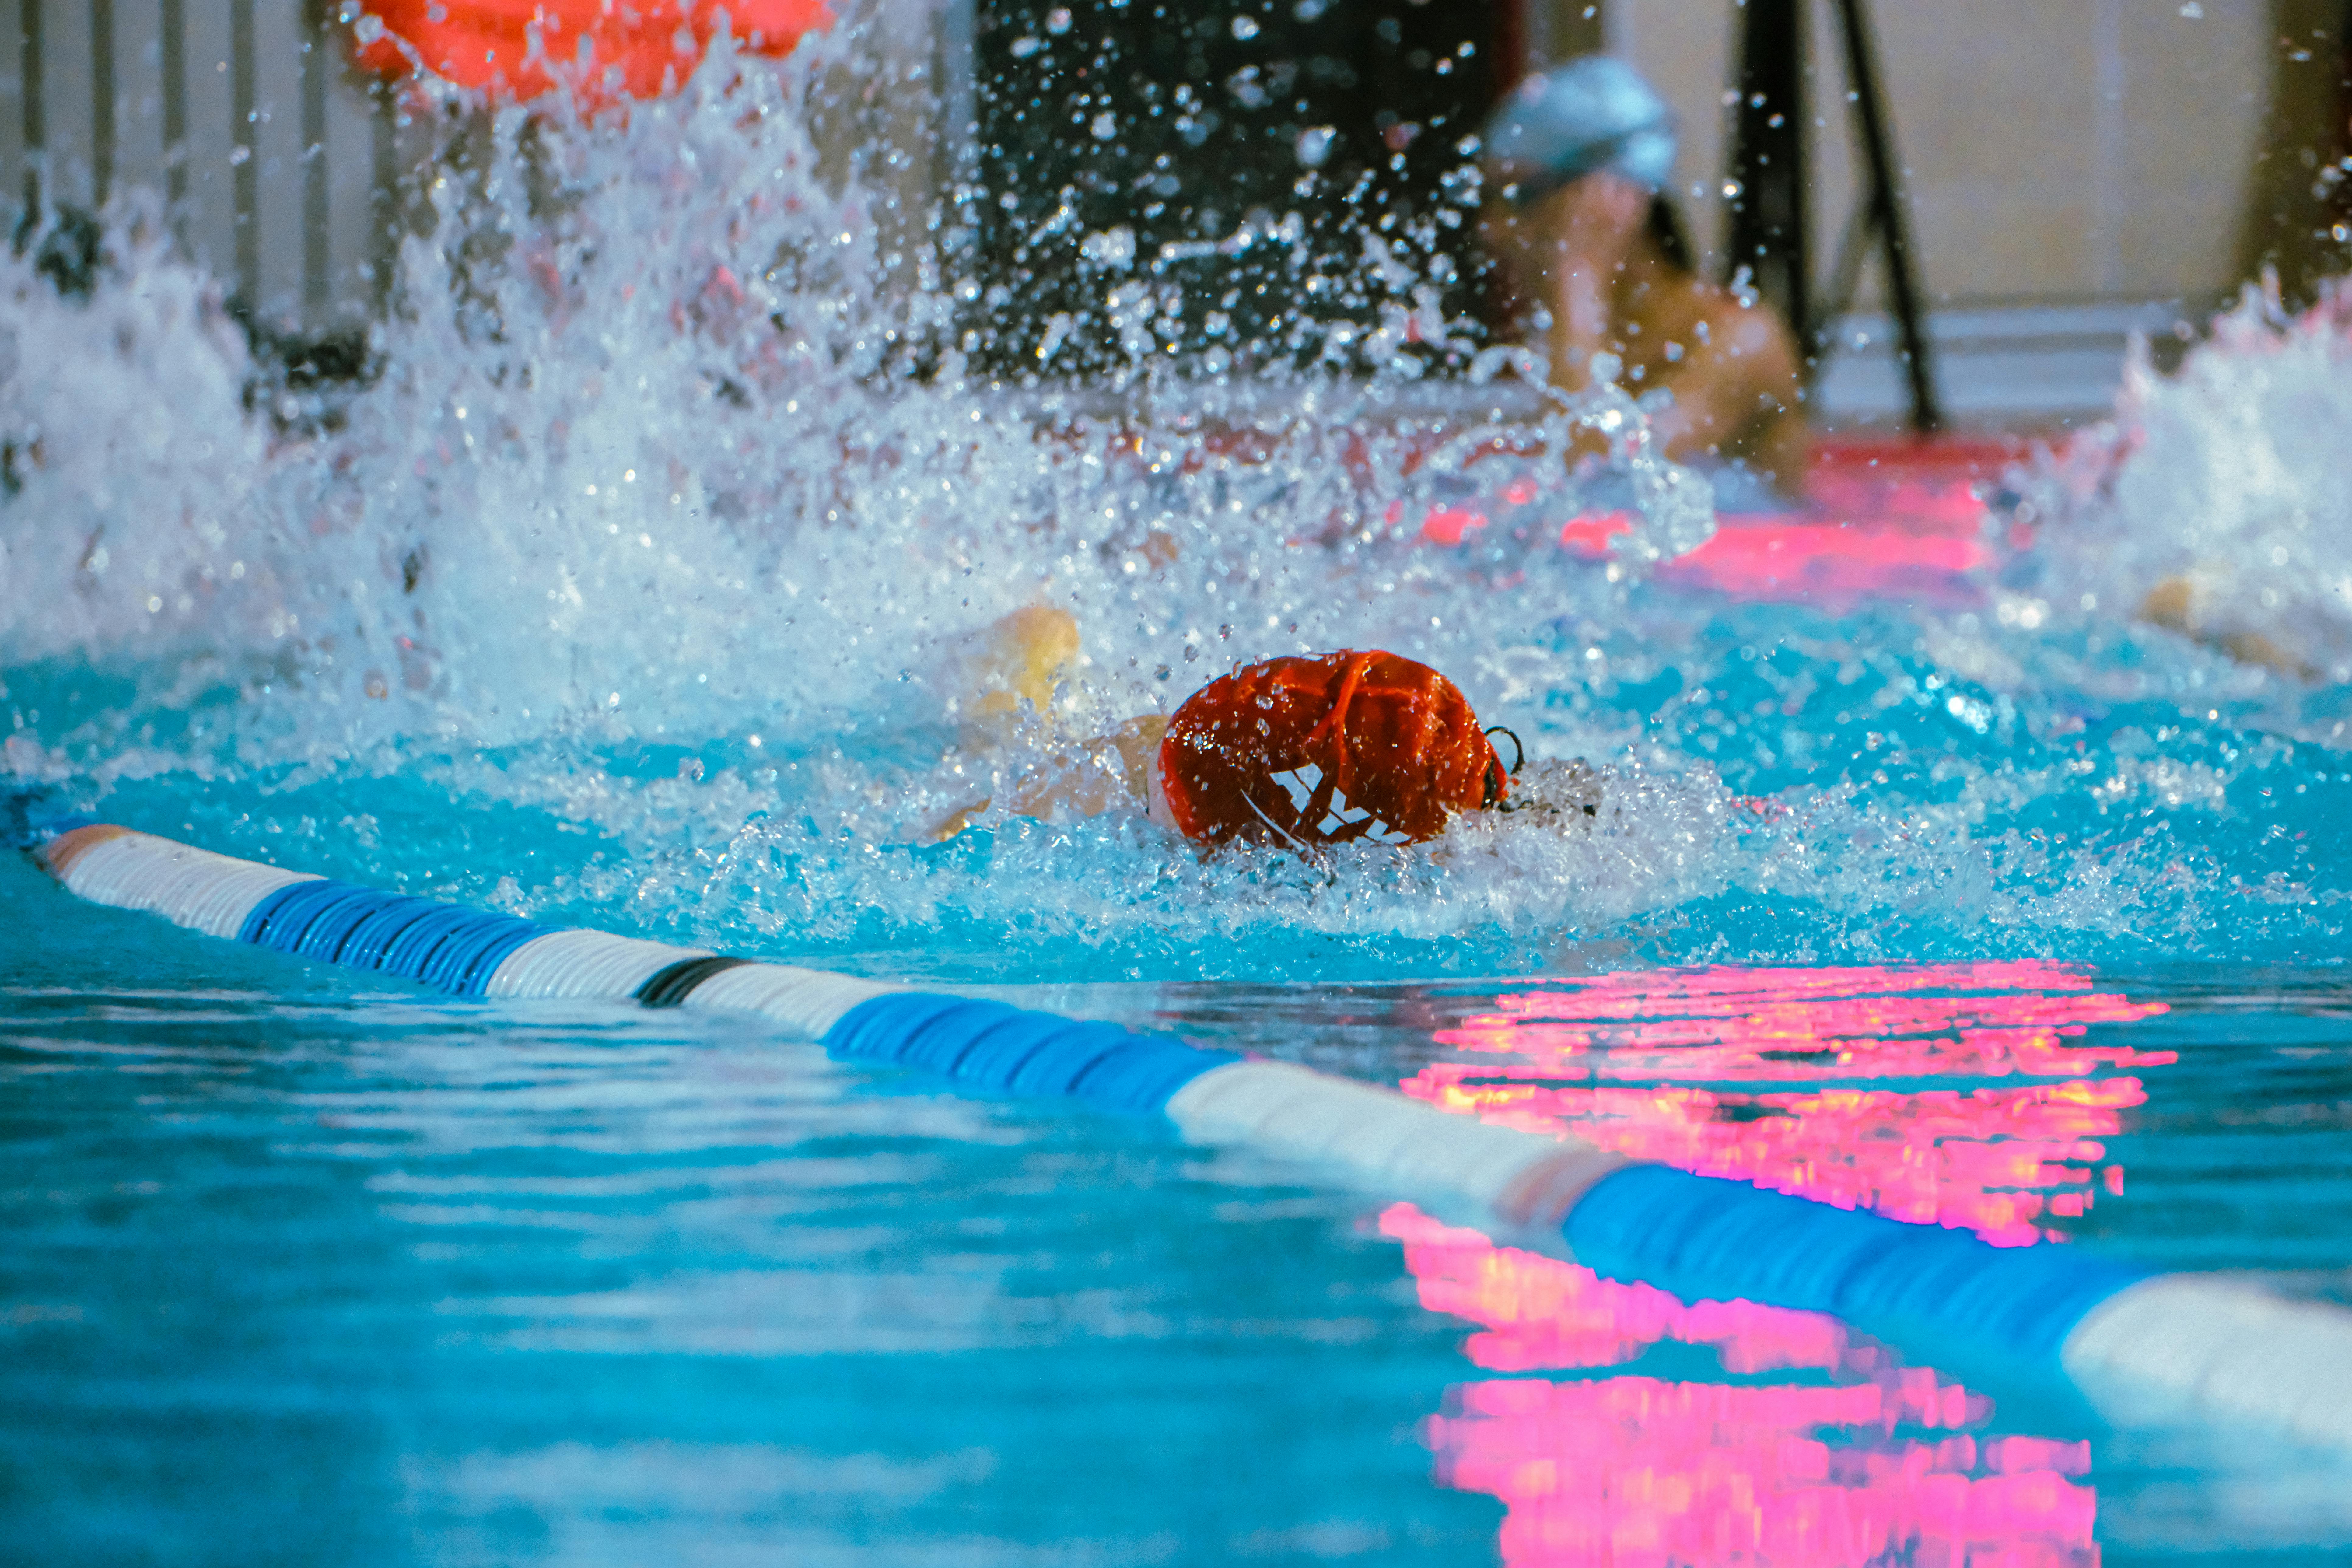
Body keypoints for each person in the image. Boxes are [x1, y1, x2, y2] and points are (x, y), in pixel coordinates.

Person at [926, 609, 1607, 847]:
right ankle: (1020, 654)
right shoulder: (1125, 772)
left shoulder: (1439, 829)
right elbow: (959, 833)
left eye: (1174, 795)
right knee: (1006, 731)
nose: (1155, 798)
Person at [1479, 57, 1808, 499]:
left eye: (1516, 196)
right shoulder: (1582, 343)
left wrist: (1577, 278)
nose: (1492, 228)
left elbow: (1598, 473)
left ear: (1607, 200)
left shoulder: (1740, 343)